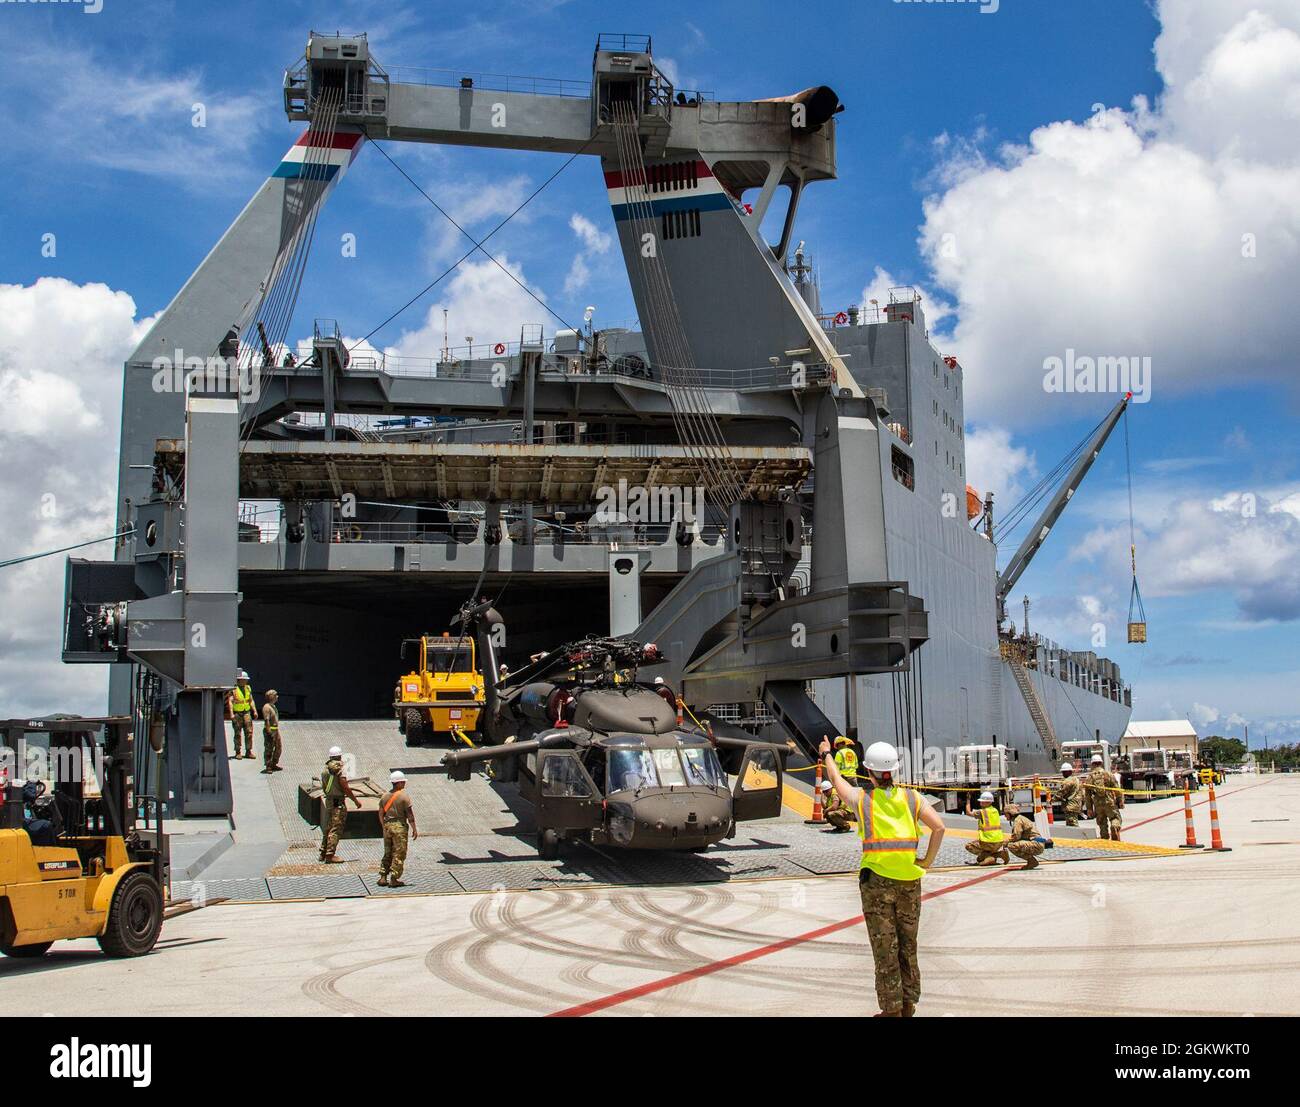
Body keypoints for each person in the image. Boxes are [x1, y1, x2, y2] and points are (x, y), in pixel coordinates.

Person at [820, 735, 945, 1018]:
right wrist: (926, 862)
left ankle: (891, 1010)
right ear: (895, 771)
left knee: (884, 947)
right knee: (907, 945)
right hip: (909, 882)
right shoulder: (913, 798)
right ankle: (908, 1004)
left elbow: (836, 778)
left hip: (876, 883)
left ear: (871, 772)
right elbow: (939, 828)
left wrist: (826, 754)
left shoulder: (861, 799)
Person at [319, 746, 361, 863]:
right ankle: (330, 855)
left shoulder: (325, 769)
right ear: (339, 756)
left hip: (329, 801)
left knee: (328, 826)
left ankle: (323, 852)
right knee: (336, 828)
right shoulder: (340, 769)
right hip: (338, 802)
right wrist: (355, 800)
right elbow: (345, 786)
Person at [377, 770, 418, 887]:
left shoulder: (384, 796)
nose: (404, 784)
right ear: (398, 783)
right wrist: (414, 828)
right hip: (399, 828)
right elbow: (410, 815)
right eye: (403, 782)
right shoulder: (404, 796)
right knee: (399, 853)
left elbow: (380, 813)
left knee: (387, 852)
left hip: (387, 827)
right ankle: (394, 879)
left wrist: (383, 826)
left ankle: (383, 877)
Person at [964, 791, 1009, 866]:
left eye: (982, 801)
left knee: (969, 846)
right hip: (999, 841)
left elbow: (968, 812)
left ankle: (993, 856)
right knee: (980, 859)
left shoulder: (982, 812)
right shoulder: (995, 810)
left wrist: (968, 799)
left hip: (987, 842)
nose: (980, 803)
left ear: (988, 802)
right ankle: (999, 854)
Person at [1085, 754, 1124, 841]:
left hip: (1098, 804)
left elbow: (1087, 795)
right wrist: (1120, 801)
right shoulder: (1108, 774)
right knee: (1115, 818)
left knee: (1102, 823)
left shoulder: (1089, 777)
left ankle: (1105, 840)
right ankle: (1114, 827)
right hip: (1109, 802)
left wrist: (1089, 809)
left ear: (1092, 764)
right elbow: (1117, 789)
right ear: (1101, 763)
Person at [1003, 803, 1051, 869]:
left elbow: (1016, 836)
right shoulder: (1021, 818)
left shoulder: (1018, 821)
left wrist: (1005, 842)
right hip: (1037, 843)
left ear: (1010, 813)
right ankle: (1031, 861)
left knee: (1011, 845)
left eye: (1006, 814)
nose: (1005, 817)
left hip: (1036, 844)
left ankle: (1031, 861)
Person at [227, 671, 256, 760]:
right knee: (237, 733)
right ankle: (238, 752)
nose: (246, 681)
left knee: (249, 732)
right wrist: (231, 714)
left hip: (246, 712)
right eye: (244, 680)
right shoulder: (234, 689)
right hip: (237, 713)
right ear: (239, 680)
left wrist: (254, 710)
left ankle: (248, 751)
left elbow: (251, 700)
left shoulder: (248, 688)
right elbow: (230, 702)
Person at [260, 690, 282, 773]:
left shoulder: (273, 706)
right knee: (269, 748)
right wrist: (269, 731)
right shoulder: (266, 707)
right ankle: (268, 766)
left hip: (276, 730)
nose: (277, 697)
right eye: (275, 695)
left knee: (278, 747)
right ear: (271, 696)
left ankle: (274, 764)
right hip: (270, 730)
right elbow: (267, 720)